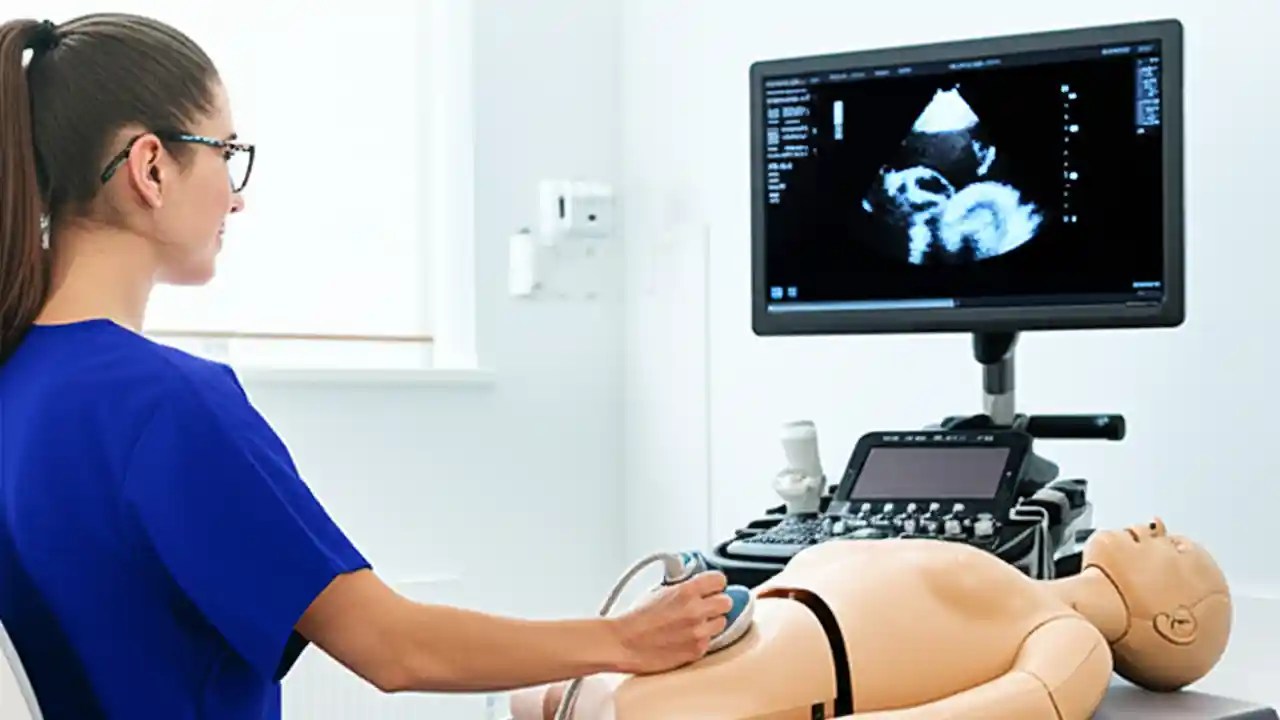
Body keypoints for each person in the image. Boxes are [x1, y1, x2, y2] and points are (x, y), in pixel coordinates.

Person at [0, 14, 733, 719]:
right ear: (152, 167)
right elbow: (392, 648)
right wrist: (624, 639)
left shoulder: (20, 383)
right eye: (226, 152)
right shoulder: (165, 406)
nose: (239, 195)